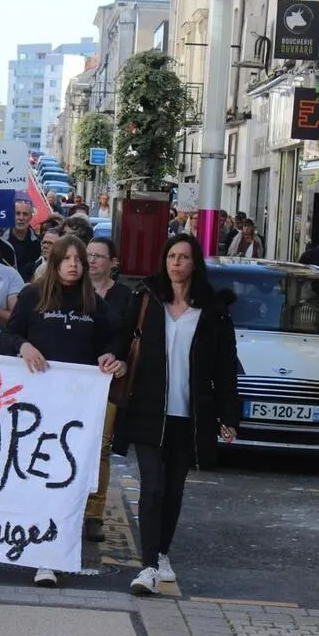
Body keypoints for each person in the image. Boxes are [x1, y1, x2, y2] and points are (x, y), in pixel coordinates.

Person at [0, 234, 128, 588]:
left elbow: (118, 337)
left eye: (78, 259)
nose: (73, 265)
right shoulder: (32, 296)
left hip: (76, 410)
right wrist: (23, 346)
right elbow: (5, 336)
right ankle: (32, 543)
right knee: (35, 475)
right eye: (66, 259)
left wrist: (112, 356)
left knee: (65, 479)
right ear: (54, 263)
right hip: (35, 407)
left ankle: (52, 555)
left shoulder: (93, 303)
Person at [113, 234, 239, 595]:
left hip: (190, 414)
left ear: (194, 263)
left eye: (183, 257)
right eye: (171, 256)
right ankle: (149, 567)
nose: (176, 263)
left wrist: (229, 416)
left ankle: (161, 553)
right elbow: (121, 338)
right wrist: (115, 359)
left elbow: (225, 369)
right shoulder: (147, 298)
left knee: (173, 490)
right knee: (152, 488)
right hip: (148, 408)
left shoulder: (213, 311)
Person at [83, 237, 134, 543]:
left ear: (113, 262)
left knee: (100, 448)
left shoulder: (126, 297)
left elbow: (130, 338)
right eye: (88, 255)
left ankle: (94, 514)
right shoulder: (73, 290)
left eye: (99, 256)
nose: (91, 260)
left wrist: (123, 361)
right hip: (75, 381)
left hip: (108, 382)